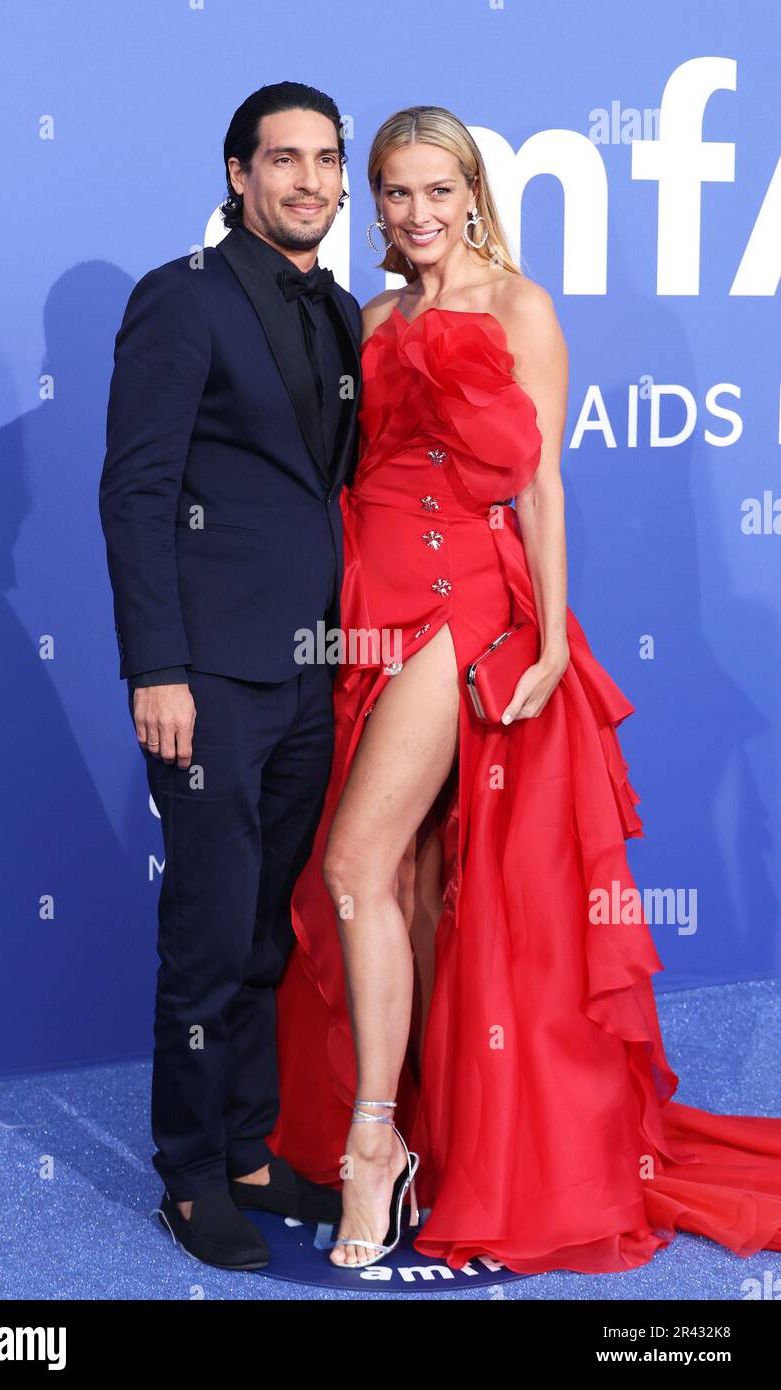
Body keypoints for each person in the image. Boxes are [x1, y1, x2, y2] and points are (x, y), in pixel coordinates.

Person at [269, 105, 781, 1273]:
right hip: (365, 604)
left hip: (465, 605)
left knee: (353, 863)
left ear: (473, 195)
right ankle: (444, 1142)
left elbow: (542, 484)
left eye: (436, 190)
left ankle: (372, 1145)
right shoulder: (374, 316)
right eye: (393, 192)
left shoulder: (518, 307)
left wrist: (549, 637)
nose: (414, 213)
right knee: (411, 878)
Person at [99, 81, 361, 1270]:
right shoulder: (180, 300)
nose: (306, 180)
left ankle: (251, 1146)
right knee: (207, 931)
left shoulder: (343, 310)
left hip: (310, 668)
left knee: (270, 926)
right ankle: (191, 1173)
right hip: (205, 676)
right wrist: (156, 666)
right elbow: (137, 490)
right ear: (237, 174)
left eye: (324, 160)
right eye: (282, 160)